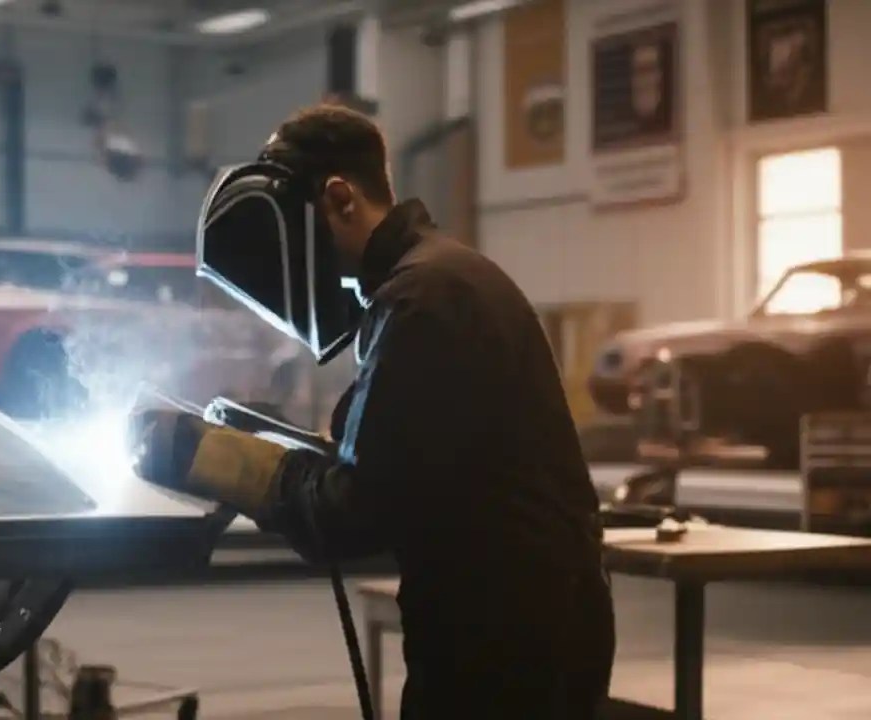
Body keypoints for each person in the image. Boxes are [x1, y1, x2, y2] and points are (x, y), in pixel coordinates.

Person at [129, 104, 615, 719]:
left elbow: (356, 511)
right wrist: (270, 442)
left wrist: (214, 459)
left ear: (340, 199)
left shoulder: (424, 299)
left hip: (509, 644)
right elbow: (400, 461)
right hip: (516, 620)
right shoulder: (435, 279)